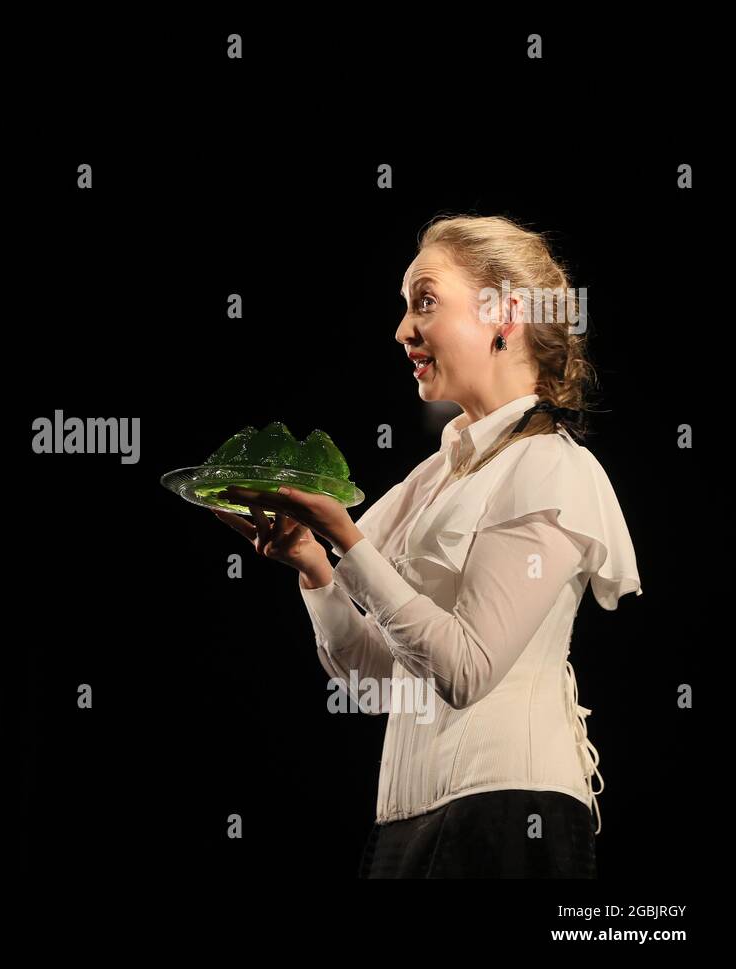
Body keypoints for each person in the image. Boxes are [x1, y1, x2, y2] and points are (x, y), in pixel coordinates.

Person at [211, 214, 642, 878]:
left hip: (506, 818)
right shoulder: (436, 477)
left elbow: (465, 669)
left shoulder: (552, 469)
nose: (402, 329)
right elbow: (378, 681)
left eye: (425, 301)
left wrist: (347, 537)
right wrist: (314, 568)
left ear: (506, 315)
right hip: (403, 827)